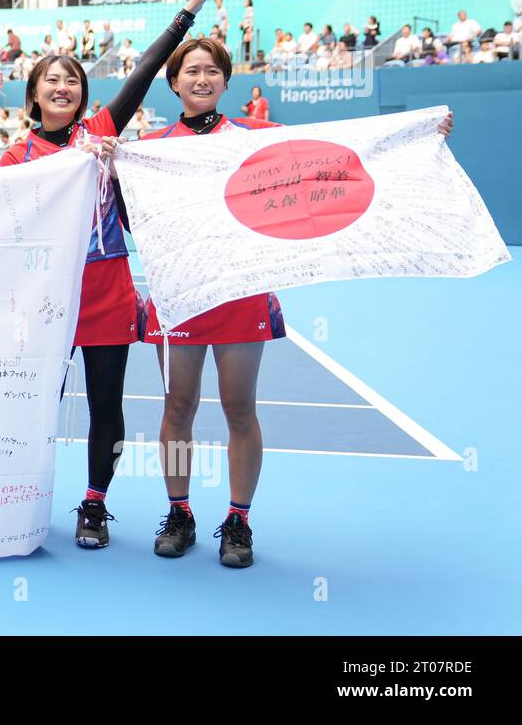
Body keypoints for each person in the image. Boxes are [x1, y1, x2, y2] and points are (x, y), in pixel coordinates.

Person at [134, 37, 453, 568]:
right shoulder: (151, 148)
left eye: (213, 70)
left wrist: (416, 135)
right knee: (177, 408)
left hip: (240, 292)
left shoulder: (259, 138)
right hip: (179, 296)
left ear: (226, 80)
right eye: (191, 71)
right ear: (173, 83)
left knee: (240, 408)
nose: (202, 79)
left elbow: (341, 152)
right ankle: (180, 512)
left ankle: (238, 520)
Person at [0, 0, 217, 549]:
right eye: (51, 81)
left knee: (106, 406)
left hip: (106, 291)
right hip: (45, 300)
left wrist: (187, 12)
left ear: (83, 93)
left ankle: (94, 505)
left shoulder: (100, 131)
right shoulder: (14, 157)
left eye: (72, 79)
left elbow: (145, 73)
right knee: (35, 403)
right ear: (34, 95)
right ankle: (20, 495)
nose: (62, 87)